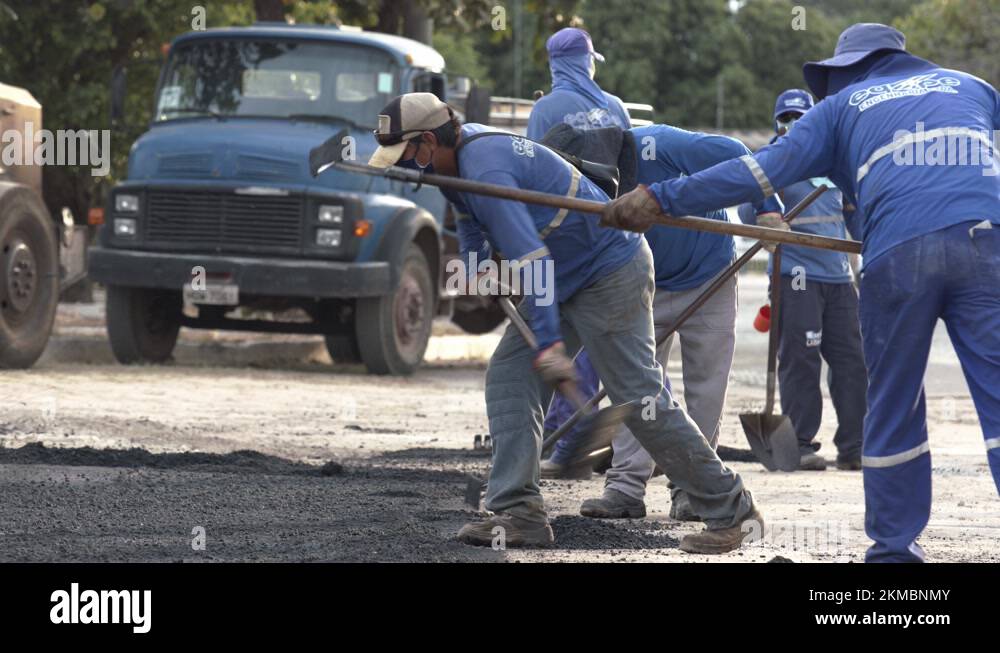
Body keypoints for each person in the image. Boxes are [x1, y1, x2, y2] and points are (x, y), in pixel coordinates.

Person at [602, 23, 1000, 562]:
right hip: (987, 240)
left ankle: (893, 553)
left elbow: (755, 171)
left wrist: (659, 196)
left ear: (845, 72)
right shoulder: (973, 87)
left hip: (900, 253)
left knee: (895, 404)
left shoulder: (840, 107)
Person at [367, 91, 763, 553]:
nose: (404, 168)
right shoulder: (449, 166)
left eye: (405, 154)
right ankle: (519, 513)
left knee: (638, 397)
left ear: (430, 141)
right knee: (510, 377)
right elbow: (470, 215)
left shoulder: (486, 165)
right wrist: (475, 264)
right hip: (564, 272)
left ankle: (732, 509)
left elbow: (531, 256)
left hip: (609, 269)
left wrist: (550, 344)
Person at [580, 124, 783, 520]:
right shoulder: (582, 179)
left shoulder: (661, 146)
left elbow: (738, 151)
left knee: (706, 385)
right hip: (638, 282)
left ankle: (694, 489)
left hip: (709, 275)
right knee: (631, 386)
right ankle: (624, 487)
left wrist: (768, 209)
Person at [738, 89, 867, 472]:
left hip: (839, 278)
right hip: (795, 276)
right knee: (800, 359)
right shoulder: (772, 161)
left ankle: (855, 446)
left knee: (852, 361)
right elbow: (749, 209)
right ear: (777, 123)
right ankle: (799, 442)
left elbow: (853, 215)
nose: (792, 125)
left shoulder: (834, 162)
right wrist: (764, 219)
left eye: (800, 118)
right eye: (786, 119)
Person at [527, 27, 631, 478]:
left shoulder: (546, 108)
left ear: (554, 65)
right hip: (615, 234)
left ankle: (566, 436)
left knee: (558, 334)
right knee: (621, 345)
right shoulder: (617, 107)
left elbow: (529, 173)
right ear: (588, 61)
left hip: (561, 240)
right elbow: (630, 176)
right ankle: (633, 441)